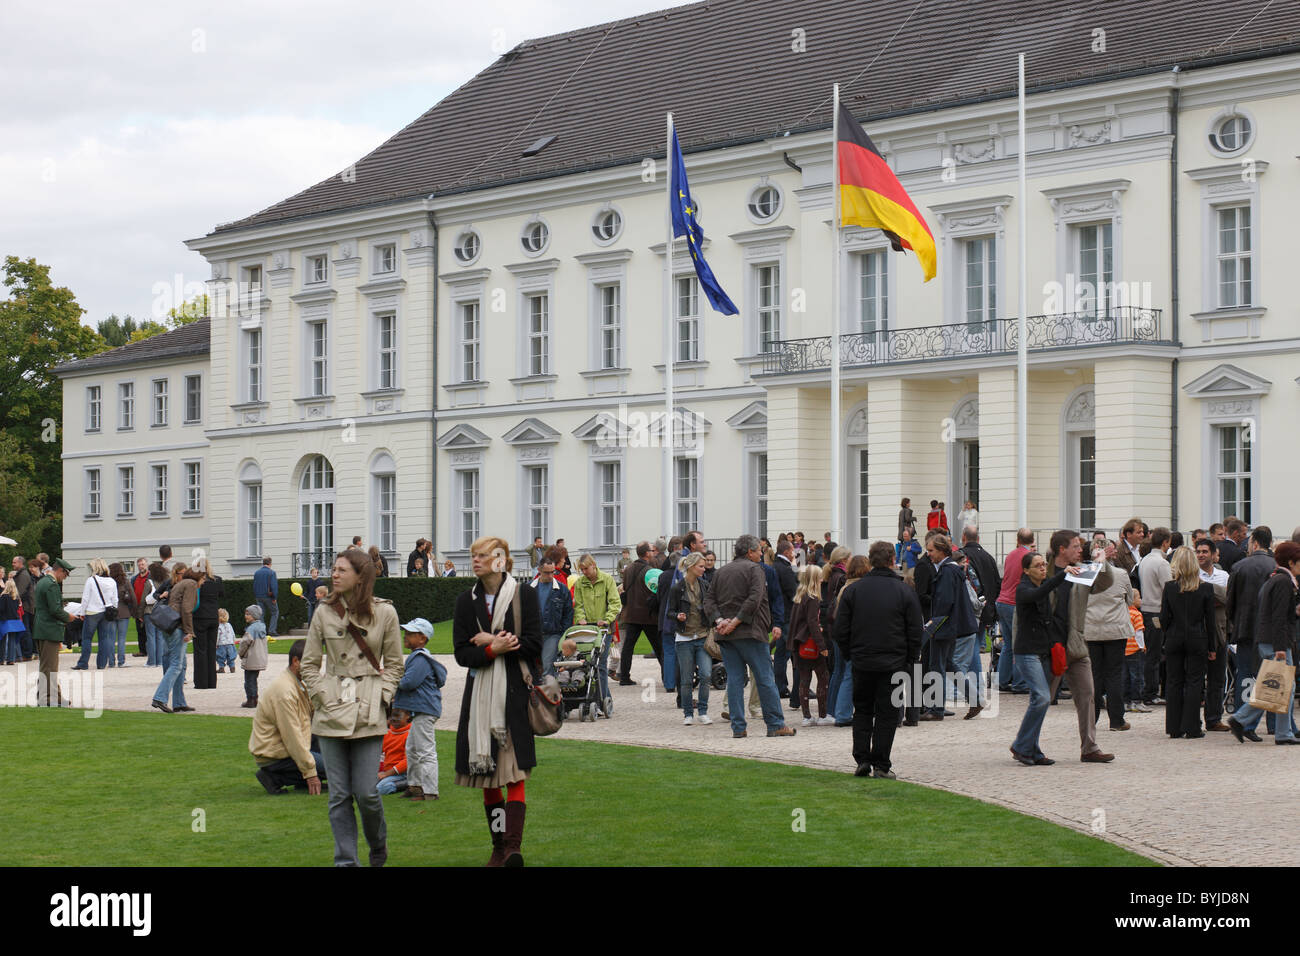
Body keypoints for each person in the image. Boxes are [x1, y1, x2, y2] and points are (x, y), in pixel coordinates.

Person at [302, 547, 404, 867]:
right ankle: (346, 861)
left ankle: (378, 843)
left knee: (367, 793)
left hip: (368, 708)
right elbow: (308, 665)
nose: (334, 574)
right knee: (339, 796)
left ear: (361, 577)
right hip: (332, 707)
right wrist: (321, 698)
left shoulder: (385, 612)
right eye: (334, 569)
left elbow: (396, 665)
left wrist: (383, 697)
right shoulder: (323, 612)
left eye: (342, 570)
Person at [452, 535, 541, 867]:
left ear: (501, 560)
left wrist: (498, 641)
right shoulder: (465, 601)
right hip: (480, 699)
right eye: (473, 555)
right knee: (487, 775)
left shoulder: (524, 596)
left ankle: (513, 848)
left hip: (514, 695)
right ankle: (499, 847)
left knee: (514, 773)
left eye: (482, 555)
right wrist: (491, 650)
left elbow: (535, 643)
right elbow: (462, 653)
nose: (475, 560)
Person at [835, 541, 922, 778]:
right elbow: (915, 630)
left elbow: (840, 629)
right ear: (892, 560)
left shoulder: (854, 591)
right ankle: (881, 763)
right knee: (887, 712)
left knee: (862, 709)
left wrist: (850, 654)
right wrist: (911, 659)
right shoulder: (904, 591)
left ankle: (863, 758)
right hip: (892, 662)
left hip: (864, 659)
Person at [704, 535, 796, 739]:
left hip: (727, 635)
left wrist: (720, 621)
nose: (762, 553)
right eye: (758, 550)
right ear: (749, 552)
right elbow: (754, 598)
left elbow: (709, 601)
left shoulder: (722, 571)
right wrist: (733, 621)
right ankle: (775, 723)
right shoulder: (755, 569)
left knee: (735, 680)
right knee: (765, 678)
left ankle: (738, 727)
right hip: (750, 632)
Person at [1228, 541, 1300, 746]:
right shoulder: (1283, 582)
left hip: (1269, 639)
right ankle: (1245, 721)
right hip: (1275, 641)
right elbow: (1277, 617)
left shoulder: (1276, 579)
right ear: (1292, 562)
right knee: (1281, 686)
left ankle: (1280, 731)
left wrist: (1293, 612)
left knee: (1280, 686)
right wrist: (1280, 648)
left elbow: (1275, 613)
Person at [1010, 551, 1070, 765]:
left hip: (1043, 650)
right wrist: (1061, 576)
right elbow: (1037, 594)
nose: (1043, 568)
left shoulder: (1041, 588)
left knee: (1039, 701)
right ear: (1026, 570)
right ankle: (1021, 745)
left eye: (1044, 564)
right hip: (1027, 652)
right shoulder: (1024, 589)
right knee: (1043, 698)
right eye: (1038, 566)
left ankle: (1031, 748)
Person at [250, 639, 327, 795]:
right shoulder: (285, 691)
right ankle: (274, 777)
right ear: (296, 661)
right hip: (275, 754)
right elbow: (292, 736)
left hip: (288, 747)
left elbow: (315, 715)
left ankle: (298, 778)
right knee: (336, 767)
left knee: (335, 755)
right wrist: (310, 773)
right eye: (312, 665)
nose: (316, 671)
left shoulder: (298, 683)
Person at [1078, 540, 1135, 733]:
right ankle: (1117, 719)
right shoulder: (1120, 574)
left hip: (1091, 628)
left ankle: (1091, 718)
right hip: (1115, 628)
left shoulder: (1084, 573)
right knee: (1114, 674)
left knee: (1094, 674)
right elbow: (1130, 600)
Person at [1158, 547, 1216, 739]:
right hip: (1197, 637)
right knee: (1195, 682)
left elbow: (1164, 617)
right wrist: (1212, 647)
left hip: (1174, 637)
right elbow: (1210, 620)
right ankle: (1192, 727)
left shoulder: (1170, 587)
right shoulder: (1206, 588)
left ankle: (1174, 727)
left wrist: (1169, 633)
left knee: (1174, 681)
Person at [919, 535, 975, 720]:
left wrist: (932, 626)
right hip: (952, 625)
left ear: (942, 550)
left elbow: (944, 602)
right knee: (949, 665)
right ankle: (974, 698)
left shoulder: (946, 571)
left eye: (931, 550)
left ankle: (936, 709)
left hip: (943, 626)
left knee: (937, 666)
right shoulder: (953, 569)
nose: (929, 554)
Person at [394, 618, 446, 800]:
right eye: (405, 633)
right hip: (422, 710)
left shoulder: (420, 659)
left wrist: (391, 680)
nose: (405, 636)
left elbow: (409, 683)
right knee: (412, 749)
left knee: (424, 751)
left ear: (422, 638)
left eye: (410, 634)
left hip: (425, 710)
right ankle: (415, 786)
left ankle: (430, 791)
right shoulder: (418, 656)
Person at [1226, 526, 1275, 715]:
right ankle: (1273, 722)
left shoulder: (1240, 567)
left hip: (1245, 627)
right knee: (1271, 675)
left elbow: (1230, 601)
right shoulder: (1276, 567)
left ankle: (1242, 716)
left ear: (1254, 544)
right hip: (1269, 629)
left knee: (1245, 673)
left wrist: (1234, 622)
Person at [664, 551, 714, 725]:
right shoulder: (677, 588)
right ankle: (687, 713)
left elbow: (711, 606)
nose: (704, 568)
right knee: (686, 680)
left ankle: (703, 711)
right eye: (701, 566)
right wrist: (678, 615)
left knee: (706, 674)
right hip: (684, 638)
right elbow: (669, 611)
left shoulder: (705, 585)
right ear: (691, 567)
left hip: (702, 636)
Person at [571, 553, 620, 711]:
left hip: (604, 629)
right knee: (588, 665)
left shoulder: (607, 580)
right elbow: (578, 604)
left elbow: (615, 602)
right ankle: (603, 699)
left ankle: (601, 701)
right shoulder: (580, 583)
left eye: (586, 568)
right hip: (587, 629)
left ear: (593, 565)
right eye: (582, 569)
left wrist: (607, 618)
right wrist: (580, 618)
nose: (584, 572)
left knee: (601, 665)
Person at [1194, 538, 1231, 731]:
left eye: (1204, 551)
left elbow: (1228, 598)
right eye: (1198, 551)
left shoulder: (1223, 575)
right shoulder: (1192, 575)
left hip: (1219, 632)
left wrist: (1206, 590)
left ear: (1213, 554)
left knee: (1217, 679)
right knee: (1196, 678)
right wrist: (1214, 599)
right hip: (1198, 632)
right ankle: (1194, 720)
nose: (1201, 554)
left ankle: (1214, 718)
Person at [788, 564, 831, 726]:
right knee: (823, 676)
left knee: (804, 679)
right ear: (815, 579)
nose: (822, 580)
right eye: (820, 577)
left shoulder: (799, 597)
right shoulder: (813, 599)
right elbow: (812, 623)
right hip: (811, 644)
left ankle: (806, 716)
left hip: (799, 644)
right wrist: (822, 646)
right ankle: (822, 714)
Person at [33, 557, 80, 705]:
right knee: (50, 668)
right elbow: (55, 610)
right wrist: (70, 617)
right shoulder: (51, 585)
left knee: (46, 666)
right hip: (49, 629)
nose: (64, 578)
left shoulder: (43, 582)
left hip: (43, 628)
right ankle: (49, 699)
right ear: (59, 570)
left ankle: (50, 697)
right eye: (65, 575)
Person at [151, 563, 197, 714]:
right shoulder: (182, 584)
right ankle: (160, 697)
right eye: (181, 573)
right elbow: (186, 609)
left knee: (181, 665)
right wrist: (189, 630)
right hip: (174, 624)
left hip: (171, 624)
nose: (182, 575)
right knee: (176, 664)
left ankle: (178, 702)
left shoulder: (179, 584)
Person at [618, 541, 662, 687]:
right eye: (651, 550)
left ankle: (624, 676)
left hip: (632, 614)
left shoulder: (629, 568)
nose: (653, 552)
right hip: (648, 615)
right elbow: (654, 590)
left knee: (628, 647)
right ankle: (668, 676)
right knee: (659, 648)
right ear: (647, 553)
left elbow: (624, 587)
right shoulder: (650, 570)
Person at [1137, 527, 1173, 704]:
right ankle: (1150, 692)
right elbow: (1169, 588)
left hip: (1146, 609)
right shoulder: (1161, 563)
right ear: (1166, 542)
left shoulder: (1145, 560)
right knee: (1155, 654)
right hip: (1157, 610)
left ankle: (1149, 690)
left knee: (1151, 652)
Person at [531, 557, 574, 680]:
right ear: (539, 570)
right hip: (533, 635)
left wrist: (563, 635)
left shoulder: (562, 589)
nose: (550, 575)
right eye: (546, 572)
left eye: (552, 572)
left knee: (548, 667)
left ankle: (549, 697)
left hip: (553, 634)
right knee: (532, 669)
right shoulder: (529, 588)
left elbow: (568, 614)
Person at [74, 558, 118, 671]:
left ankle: (83, 663)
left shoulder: (91, 580)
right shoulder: (112, 581)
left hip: (92, 612)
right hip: (106, 612)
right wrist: (113, 610)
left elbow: (85, 598)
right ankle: (102, 664)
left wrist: (81, 612)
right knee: (104, 638)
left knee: (87, 638)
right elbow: (115, 599)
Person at [773, 540, 800, 707]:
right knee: (792, 652)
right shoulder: (785, 568)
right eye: (793, 550)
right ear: (788, 551)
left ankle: (780, 686)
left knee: (781, 654)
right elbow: (793, 592)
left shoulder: (775, 566)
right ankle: (792, 691)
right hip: (788, 614)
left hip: (779, 614)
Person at [191, 557, 223, 689]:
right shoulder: (217, 580)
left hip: (199, 617)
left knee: (200, 650)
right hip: (213, 617)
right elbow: (221, 595)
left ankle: (201, 682)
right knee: (211, 650)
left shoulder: (196, 582)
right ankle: (211, 682)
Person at [238, 604, 270, 708]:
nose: (245, 616)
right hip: (259, 659)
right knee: (253, 679)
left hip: (251, 659)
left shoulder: (251, 629)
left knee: (248, 681)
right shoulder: (262, 627)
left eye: (248, 614)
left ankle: (250, 699)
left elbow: (244, 643)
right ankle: (254, 698)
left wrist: (241, 653)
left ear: (254, 616)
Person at [107, 562, 137, 667]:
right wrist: (135, 611)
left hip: (111, 612)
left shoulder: (108, 582)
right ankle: (121, 661)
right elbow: (133, 598)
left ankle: (111, 662)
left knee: (111, 638)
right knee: (121, 638)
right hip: (124, 611)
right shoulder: (125, 582)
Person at [376, 709, 412, 796]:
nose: (394, 720)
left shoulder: (410, 735)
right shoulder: (388, 733)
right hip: (389, 772)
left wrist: (386, 774)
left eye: (398, 717)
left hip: (404, 774)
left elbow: (407, 762)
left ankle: (409, 784)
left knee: (380, 788)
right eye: (392, 717)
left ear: (408, 716)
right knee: (365, 785)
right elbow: (377, 752)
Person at [11, 556, 36, 661]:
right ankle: (26, 653)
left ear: (20, 563)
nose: (13, 564)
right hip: (25, 606)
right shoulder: (21, 574)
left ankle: (27, 654)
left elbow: (19, 591)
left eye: (14, 562)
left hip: (25, 607)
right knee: (25, 629)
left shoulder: (23, 575)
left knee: (25, 630)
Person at [1, 578, 25, 665]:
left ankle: (1, 659)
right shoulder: (16, 598)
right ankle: (11, 659)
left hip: (5, 621)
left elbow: (1, 609)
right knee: (12, 640)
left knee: (3, 640)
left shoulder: (4, 597)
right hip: (14, 621)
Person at [253, 556, 279, 637]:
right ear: (270, 563)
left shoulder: (257, 573)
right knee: (275, 612)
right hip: (268, 596)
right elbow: (274, 586)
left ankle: (262, 632)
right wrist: (274, 597)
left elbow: (254, 585)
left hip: (258, 596)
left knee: (261, 614)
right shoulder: (272, 573)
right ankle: (272, 631)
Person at [130, 557, 149, 658]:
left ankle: (152, 651)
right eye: (139, 565)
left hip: (148, 608)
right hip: (137, 608)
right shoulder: (134, 579)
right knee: (140, 631)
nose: (141, 566)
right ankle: (142, 651)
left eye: (143, 564)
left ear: (147, 565)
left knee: (149, 631)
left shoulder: (151, 577)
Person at [216, 608, 237, 673]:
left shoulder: (218, 626)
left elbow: (217, 636)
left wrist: (215, 644)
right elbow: (233, 634)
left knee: (220, 657)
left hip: (221, 644)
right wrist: (233, 641)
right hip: (230, 644)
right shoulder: (229, 625)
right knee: (231, 656)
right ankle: (232, 667)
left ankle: (221, 668)